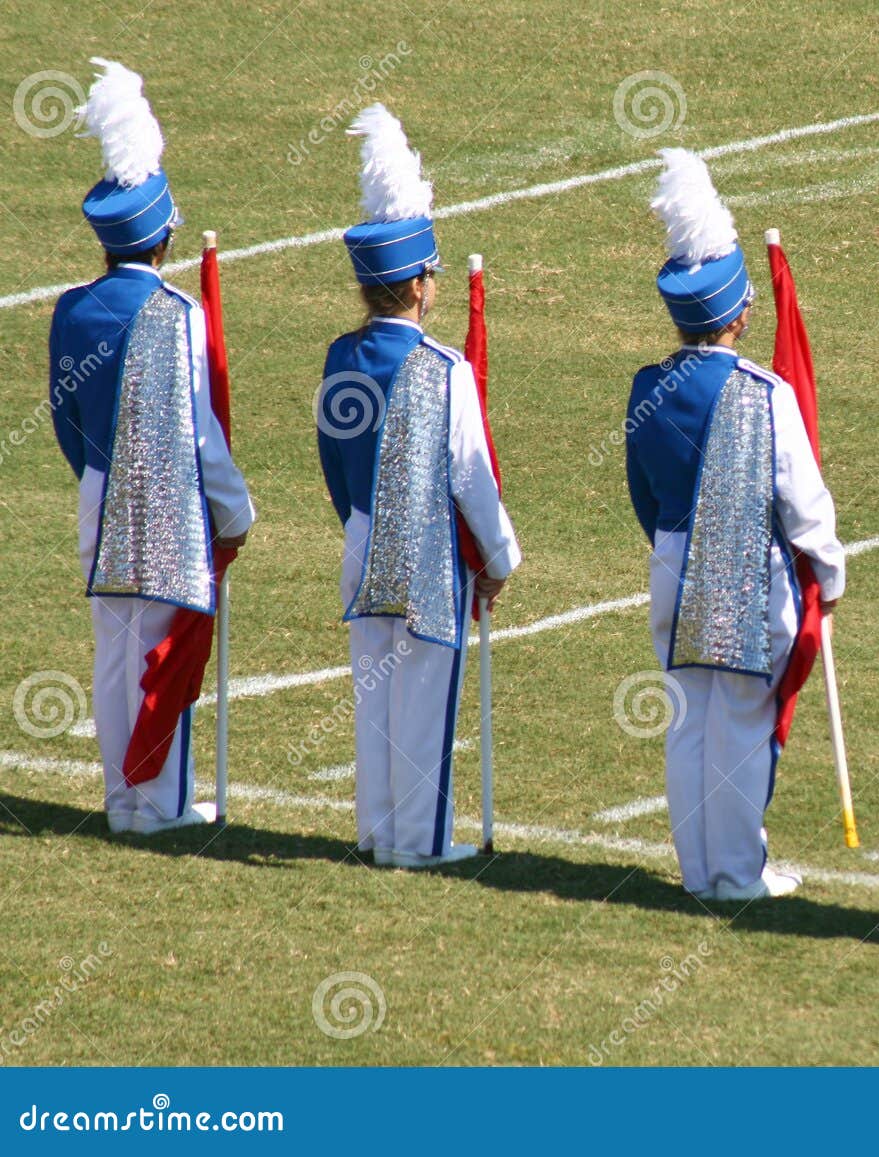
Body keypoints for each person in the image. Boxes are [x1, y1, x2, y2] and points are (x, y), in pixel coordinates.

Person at [625, 149, 845, 902]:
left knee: (690, 720)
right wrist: (831, 573)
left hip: (675, 570)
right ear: (738, 314)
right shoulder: (765, 392)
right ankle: (739, 873)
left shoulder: (647, 388)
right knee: (744, 723)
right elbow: (804, 504)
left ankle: (699, 870)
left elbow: (643, 496)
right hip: (748, 580)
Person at [49, 59, 253, 834]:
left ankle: (120, 796)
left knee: (113, 649)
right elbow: (199, 432)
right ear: (163, 232)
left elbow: (66, 416)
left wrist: (98, 473)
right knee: (166, 652)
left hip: (100, 489)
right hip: (168, 499)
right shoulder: (179, 313)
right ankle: (160, 802)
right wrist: (235, 509)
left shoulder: (73, 308)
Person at [317, 104, 519, 869]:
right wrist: (500, 557)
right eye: (429, 272)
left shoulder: (341, 355)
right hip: (431, 558)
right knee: (426, 697)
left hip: (364, 543)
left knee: (376, 698)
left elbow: (333, 457)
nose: (436, 281)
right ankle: (421, 843)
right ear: (415, 284)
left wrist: (361, 522)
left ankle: (376, 831)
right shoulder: (443, 369)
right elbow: (470, 475)